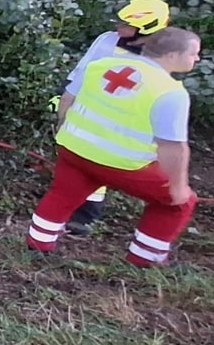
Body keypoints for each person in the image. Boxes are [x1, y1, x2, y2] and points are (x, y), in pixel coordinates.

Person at [27, 27, 200, 267]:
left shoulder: (100, 66)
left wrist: (62, 132)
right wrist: (178, 187)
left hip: (74, 150)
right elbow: (172, 147)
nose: (197, 58)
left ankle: (37, 246)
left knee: (62, 194)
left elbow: (67, 100)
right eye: (193, 53)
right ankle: (144, 260)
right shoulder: (170, 92)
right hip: (124, 164)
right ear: (172, 55)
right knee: (178, 203)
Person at [56, 0, 172, 236]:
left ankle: (86, 216)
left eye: (126, 25)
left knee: (104, 166)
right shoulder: (107, 41)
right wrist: (64, 109)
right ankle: (77, 215)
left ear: (148, 28)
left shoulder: (166, 54)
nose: (119, 28)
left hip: (130, 124)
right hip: (91, 115)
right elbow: (82, 73)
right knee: (83, 164)